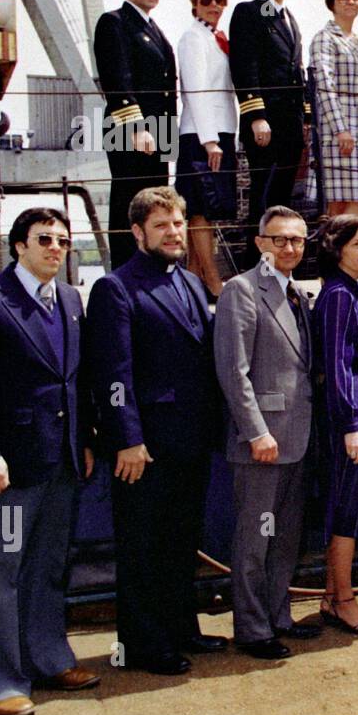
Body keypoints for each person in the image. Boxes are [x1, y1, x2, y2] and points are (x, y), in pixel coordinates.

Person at [0, 207, 98, 715]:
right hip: (8, 464)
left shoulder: (73, 300)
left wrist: (85, 438)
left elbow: (73, 381)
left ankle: (49, 658)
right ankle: (1, 681)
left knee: (49, 565)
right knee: (2, 572)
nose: (55, 248)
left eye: (62, 240)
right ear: (19, 246)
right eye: (44, 239)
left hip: (61, 458)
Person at [87, 186, 223, 676]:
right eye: (162, 225)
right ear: (138, 231)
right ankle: (144, 643)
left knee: (182, 538)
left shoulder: (189, 283)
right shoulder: (115, 289)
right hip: (144, 445)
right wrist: (126, 438)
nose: (174, 232)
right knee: (143, 544)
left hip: (190, 438)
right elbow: (113, 373)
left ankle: (181, 627)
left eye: (179, 223)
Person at [214, 205, 322, 659]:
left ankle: (279, 615)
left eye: (297, 240)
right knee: (255, 540)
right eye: (280, 239)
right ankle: (252, 628)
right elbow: (233, 372)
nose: (290, 247)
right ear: (260, 243)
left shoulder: (297, 293)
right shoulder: (241, 291)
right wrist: (256, 432)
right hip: (263, 441)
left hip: (297, 436)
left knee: (285, 538)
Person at [312, 215, 358, 634]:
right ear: (337, 249)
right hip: (354, 402)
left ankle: (330, 594)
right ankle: (343, 599)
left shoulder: (357, 291)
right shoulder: (338, 295)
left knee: (357, 499)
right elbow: (336, 364)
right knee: (349, 503)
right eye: (357, 243)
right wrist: (350, 424)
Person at [94, 0, 176, 268]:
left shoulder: (154, 28)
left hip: (159, 130)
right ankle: (126, 271)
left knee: (154, 203)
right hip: (132, 130)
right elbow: (118, 78)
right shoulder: (115, 23)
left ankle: (151, 267)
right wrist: (136, 127)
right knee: (131, 201)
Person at [229, 0, 312, 255]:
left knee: (282, 197)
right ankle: (257, 262)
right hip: (265, 122)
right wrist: (256, 116)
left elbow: (298, 71)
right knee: (262, 196)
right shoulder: (250, 12)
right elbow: (244, 65)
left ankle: (279, 258)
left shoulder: (290, 18)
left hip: (289, 124)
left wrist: (305, 117)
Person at [175, 0, 238, 296]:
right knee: (200, 209)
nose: (214, 5)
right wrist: (209, 140)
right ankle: (213, 281)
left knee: (211, 212)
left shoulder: (218, 37)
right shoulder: (193, 38)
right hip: (202, 135)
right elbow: (195, 90)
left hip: (221, 130)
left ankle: (192, 280)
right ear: (194, 4)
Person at [311, 0, 358, 219]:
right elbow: (324, 86)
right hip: (339, 134)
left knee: (349, 203)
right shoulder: (325, 38)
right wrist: (341, 130)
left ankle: (336, 252)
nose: (350, 1)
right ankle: (334, 252)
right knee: (348, 203)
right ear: (332, 2)